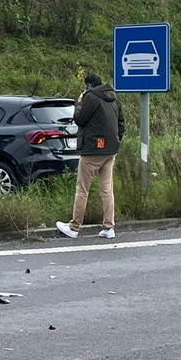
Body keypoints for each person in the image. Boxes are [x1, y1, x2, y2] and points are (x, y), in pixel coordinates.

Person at [57, 73, 124, 239]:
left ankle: (74, 227)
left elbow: (79, 119)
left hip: (93, 150)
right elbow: (121, 124)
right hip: (110, 150)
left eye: (85, 86)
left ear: (89, 85)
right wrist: (115, 141)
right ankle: (109, 227)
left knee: (82, 189)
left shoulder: (91, 98)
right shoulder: (114, 98)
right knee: (106, 189)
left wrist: (79, 103)